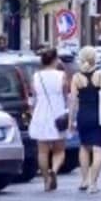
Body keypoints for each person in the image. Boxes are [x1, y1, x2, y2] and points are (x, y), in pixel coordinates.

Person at [68, 47, 101, 194]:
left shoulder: (76, 78)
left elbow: (73, 101)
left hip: (83, 116)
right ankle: (94, 183)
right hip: (98, 116)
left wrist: (70, 121)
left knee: (84, 147)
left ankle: (84, 179)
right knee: (98, 149)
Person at [27, 47, 70, 192]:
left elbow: (33, 97)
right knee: (59, 150)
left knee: (42, 151)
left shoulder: (36, 76)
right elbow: (66, 96)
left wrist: (31, 111)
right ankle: (54, 170)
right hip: (58, 114)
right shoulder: (61, 75)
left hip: (41, 114)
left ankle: (46, 179)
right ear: (55, 60)